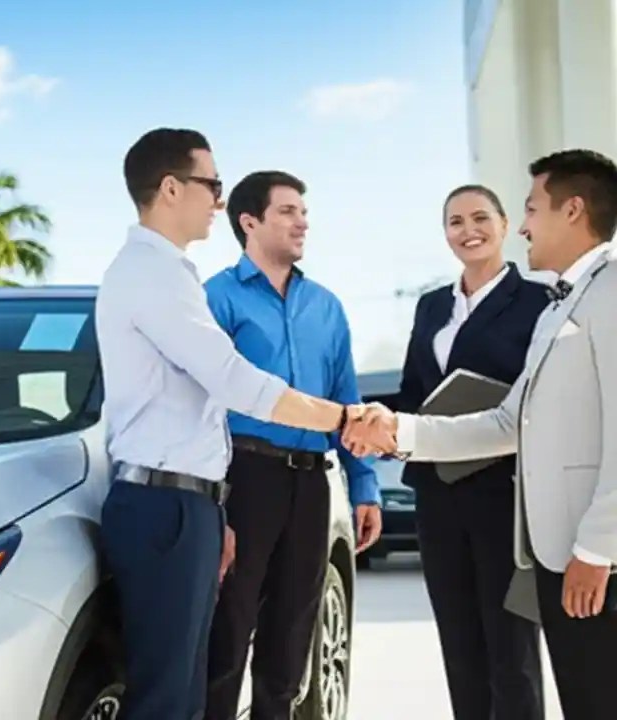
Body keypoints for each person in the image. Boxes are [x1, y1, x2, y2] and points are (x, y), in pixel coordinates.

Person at [95, 127, 365, 720]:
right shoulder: (154, 275)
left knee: (186, 691)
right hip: (164, 505)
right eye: (211, 183)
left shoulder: (168, 273)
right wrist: (345, 417)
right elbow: (235, 381)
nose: (218, 198)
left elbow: (208, 404)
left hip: (190, 502)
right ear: (171, 188)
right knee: (172, 696)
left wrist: (216, 507)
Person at [345, 149, 617, 720]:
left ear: (572, 211)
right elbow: (504, 421)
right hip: (501, 520)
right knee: (560, 686)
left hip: (554, 529)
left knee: (560, 679)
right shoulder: (558, 306)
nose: (522, 226)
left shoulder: (591, 296)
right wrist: (396, 428)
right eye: (455, 221)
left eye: (528, 210)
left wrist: (597, 547)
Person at [200, 170, 382, 720]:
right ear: (249, 221)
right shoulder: (217, 297)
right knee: (228, 635)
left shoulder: (326, 306)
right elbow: (201, 403)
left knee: (292, 637)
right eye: (287, 211)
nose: (302, 220)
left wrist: (364, 484)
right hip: (244, 478)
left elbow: (347, 400)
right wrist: (215, 500)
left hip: (312, 481)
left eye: (303, 210)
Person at [390, 184, 549, 720]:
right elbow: (416, 390)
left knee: (511, 647)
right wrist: (382, 429)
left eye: (480, 217)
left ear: (504, 225)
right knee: (459, 642)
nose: (468, 230)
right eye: (455, 222)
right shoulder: (432, 305)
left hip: (502, 492)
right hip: (437, 493)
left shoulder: (538, 301)